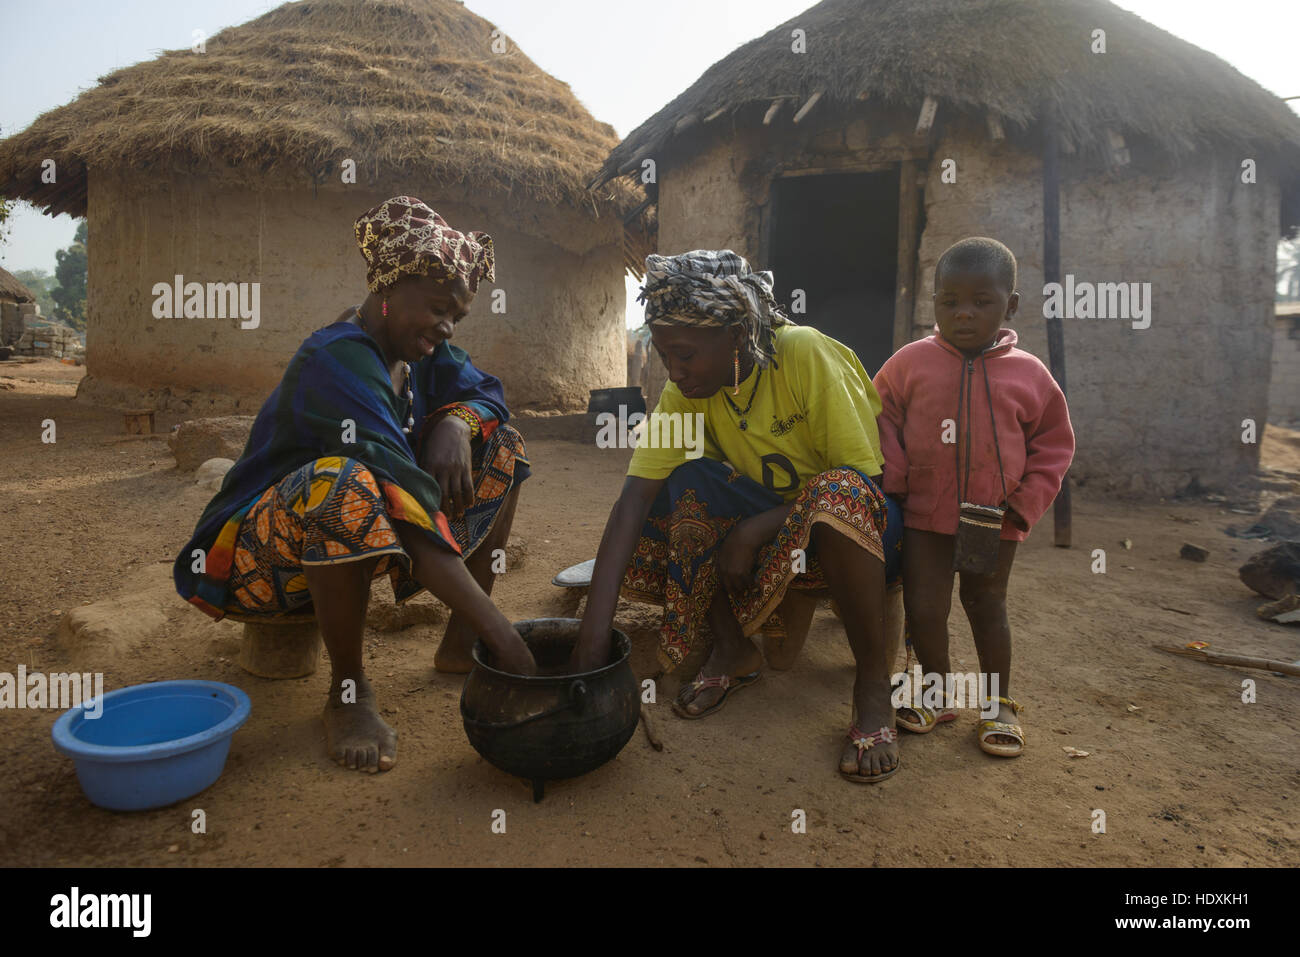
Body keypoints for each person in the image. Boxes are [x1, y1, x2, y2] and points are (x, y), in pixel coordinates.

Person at [174, 196, 536, 774]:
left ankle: (462, 643)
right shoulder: (336, 358)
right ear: (388, 287)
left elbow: (488, 392)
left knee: (500, 446)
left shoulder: (420, 357)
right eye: (438, 308)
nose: (445, 328)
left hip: (357, 540)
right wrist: (516, 649)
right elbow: (403, 499)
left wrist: (453, 421)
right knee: (341, 483)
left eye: (457, 317)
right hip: (250, 562)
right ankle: (349, 691)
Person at [571, 250, 905, 782]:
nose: (675, 374)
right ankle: (732, 650)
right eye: (664, 356)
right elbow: (632, 500)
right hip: (781, 537)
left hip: (859, 531)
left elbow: (863, 480)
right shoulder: (688, 391)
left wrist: (754, 529)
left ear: (736, 333)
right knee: (684, 483)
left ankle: (871, 686)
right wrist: (592, 641)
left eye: (685, 356)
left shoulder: (802, 353)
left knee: (837, 492)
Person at [873, 236, 1075, 757]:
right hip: (924, 514)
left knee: (986, 604)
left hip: (995, 518)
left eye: (981, 302)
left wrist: (1026, 503)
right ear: (934, 302)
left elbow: (1054, 445)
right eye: (949, 301)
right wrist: (896, 478)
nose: (963, 314)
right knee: (924, 606)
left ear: (1010, 305)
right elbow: (880, 416)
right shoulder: (910, 362)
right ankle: (938, 692)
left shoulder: (1030, 375)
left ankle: (997, 702)